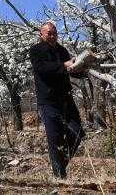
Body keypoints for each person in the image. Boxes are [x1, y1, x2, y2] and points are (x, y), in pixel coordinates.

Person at [29, 21, 85, 180]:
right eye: (49, 33)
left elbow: (71, 71)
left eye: (54, 33)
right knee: (55, 138)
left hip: (66, 98)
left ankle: (61, 164)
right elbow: (42, 69)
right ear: (41, 34)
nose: (53, 36)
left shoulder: (62, 50)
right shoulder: (36, 50)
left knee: (77, 132)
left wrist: (81, 67)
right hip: (48, 101)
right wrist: (64, 65)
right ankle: (59, 176)